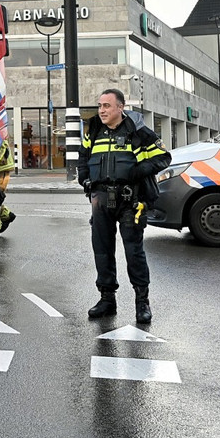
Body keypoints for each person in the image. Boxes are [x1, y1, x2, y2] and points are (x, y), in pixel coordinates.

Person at [78, 88, 171, 324]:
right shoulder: (94, 130)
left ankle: (142, 303)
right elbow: (82, 158)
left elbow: (163, 157)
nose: (101, 110)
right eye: (100, 106)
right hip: (100, 201)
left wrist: (136, 172)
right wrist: (85, 179)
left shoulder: (137, 131)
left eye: (107, 106)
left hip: (130, 201)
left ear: (120, 107)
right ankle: (107, 300)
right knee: (102, 250)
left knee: (134, 252)